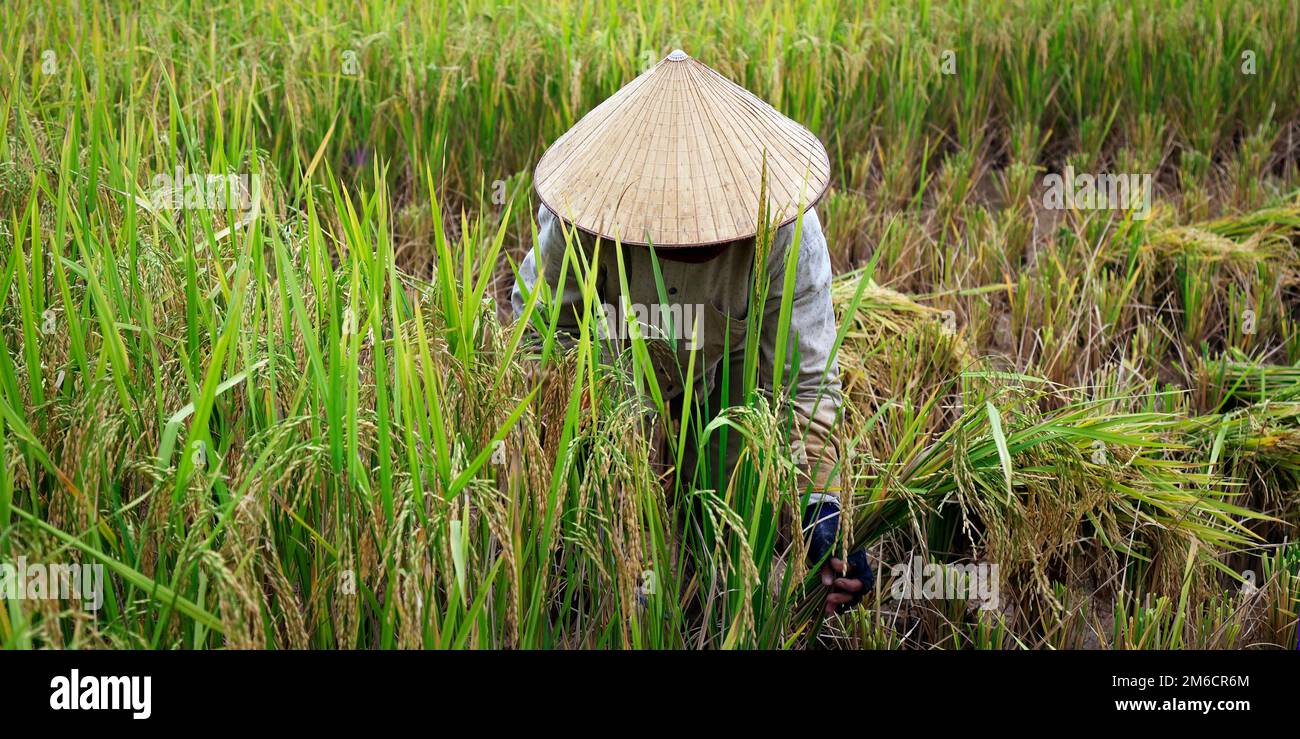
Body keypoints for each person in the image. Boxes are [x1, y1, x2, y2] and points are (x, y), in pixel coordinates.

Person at [511, 50, 872, 615]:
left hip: (729, 377)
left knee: (721, 538)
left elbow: (805, 386)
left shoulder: (784, 231)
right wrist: (589, 447)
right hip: (613, 374)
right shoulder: (581, 220)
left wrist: (823, 505)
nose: (694, 241)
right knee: (610, 563)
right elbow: (540, 344)